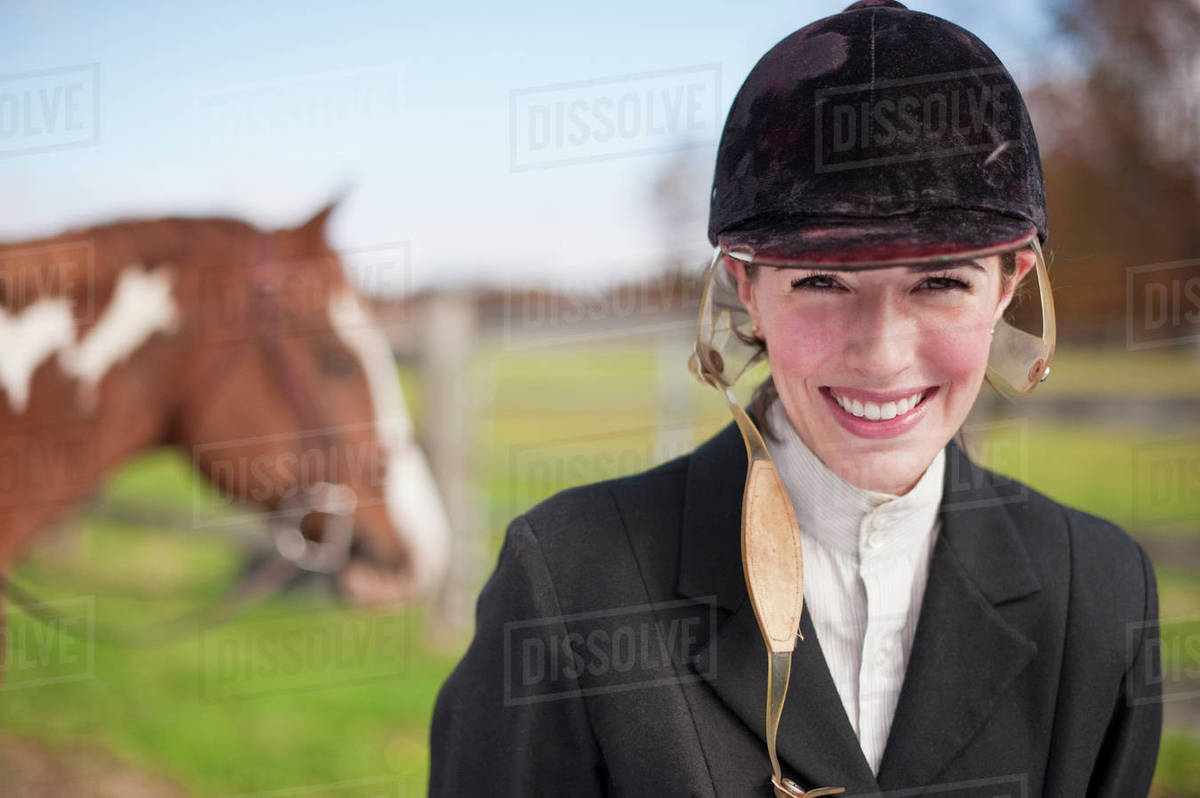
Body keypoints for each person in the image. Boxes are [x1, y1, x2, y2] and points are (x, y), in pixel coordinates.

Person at [429, 2, 1163, 796]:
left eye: (941, 283)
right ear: (745, 287)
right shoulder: (567, 580)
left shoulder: (1103, 591)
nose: (881, 354)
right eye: (821, 282)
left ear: (1009, 285)